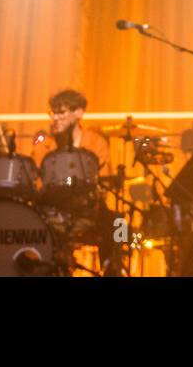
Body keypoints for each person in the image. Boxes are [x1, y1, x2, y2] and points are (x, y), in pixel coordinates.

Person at [35, 88, 123, 275]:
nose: (56, 118)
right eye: (53, 113)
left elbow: (105, 180)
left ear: (79, 112)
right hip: (52, 208)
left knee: (117, 223)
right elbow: (37, 181)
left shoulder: (96, 142)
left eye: (62, 112)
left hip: (88, 207)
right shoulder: (45, 144)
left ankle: (110, 269)